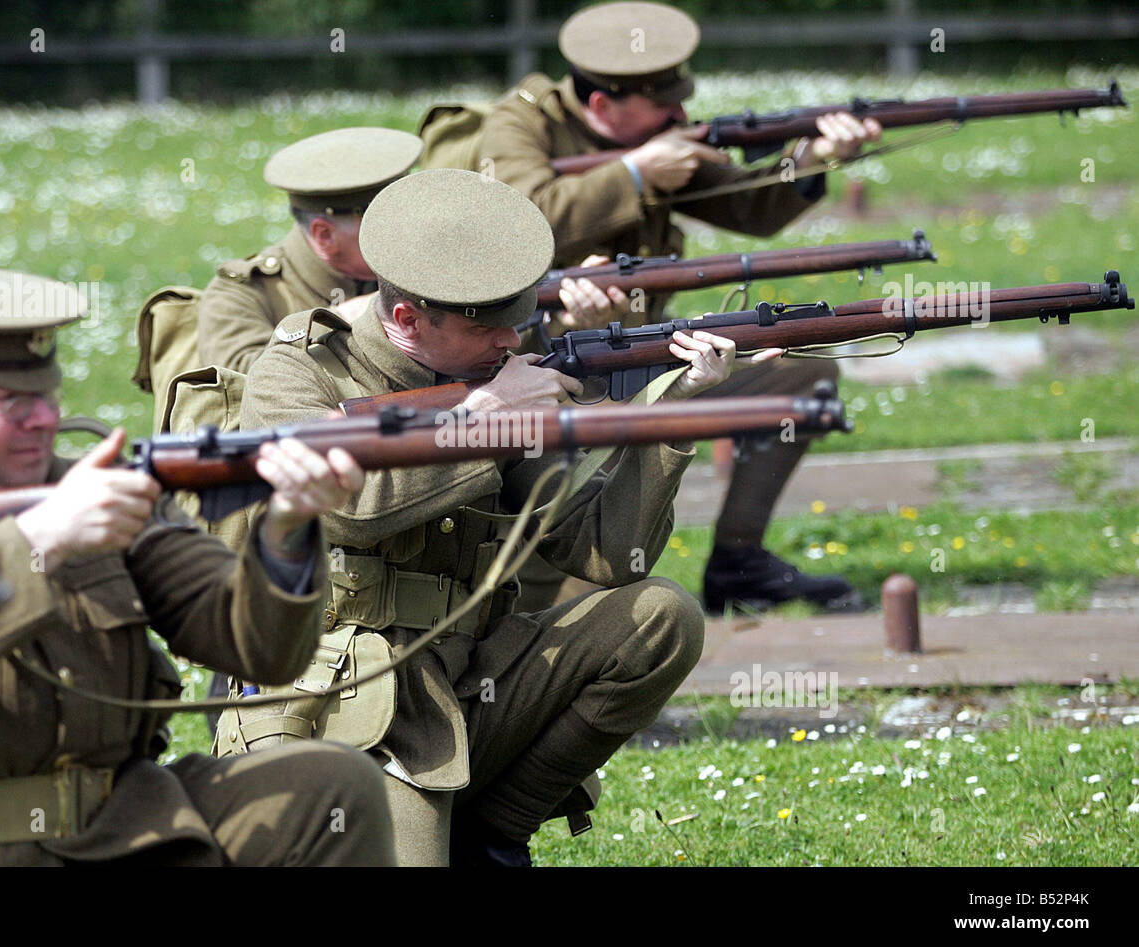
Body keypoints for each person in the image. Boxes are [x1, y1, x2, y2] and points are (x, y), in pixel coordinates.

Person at [237, 168, 769, 866]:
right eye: (487, 328)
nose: (511, 345)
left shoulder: (496, 376)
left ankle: (495, 832)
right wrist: (481, 424)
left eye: (516, 323)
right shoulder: (297, 372)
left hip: (464, 679)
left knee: (660, 618)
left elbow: (605, 556)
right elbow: (350, 511)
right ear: (405, 320)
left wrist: (672, 416)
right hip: (349, 703)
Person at [0, 266, 395, 866]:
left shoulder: (86, 488)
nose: (45, 419)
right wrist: (38, 539)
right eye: (12, 404)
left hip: (119, 831)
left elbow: (254, 648)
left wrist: (285, 527)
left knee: (333, 790)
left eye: (47, 396)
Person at [476, 1, 880, 613]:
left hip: (647, 354)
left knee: (805, 377)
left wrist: (818, 156)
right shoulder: (520, 125)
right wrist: (634, 176)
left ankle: (739, 563)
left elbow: (750, 208)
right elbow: (516, 217)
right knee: (588, 595)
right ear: (603, 106)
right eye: (665, 104)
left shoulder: (654, 138)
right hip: (543, 373)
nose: (683, 116)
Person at [197, 127, 423, 374]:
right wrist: (335, 320)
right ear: (325, 235)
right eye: (383, 221)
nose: (406, 230)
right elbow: (243, 380)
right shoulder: (242, 293)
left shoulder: (421, 269)